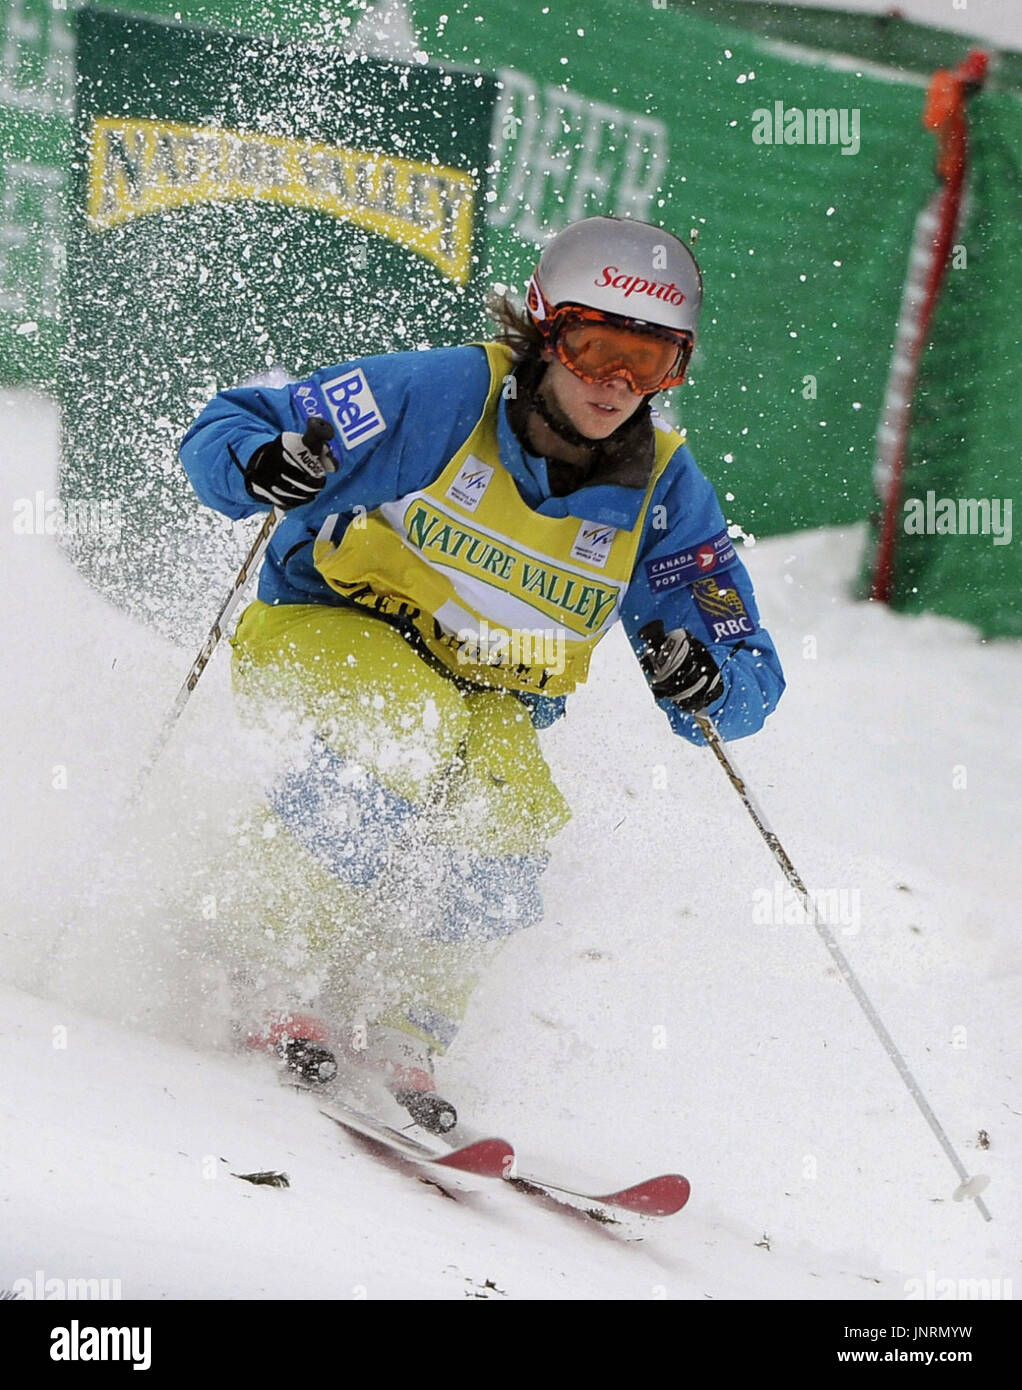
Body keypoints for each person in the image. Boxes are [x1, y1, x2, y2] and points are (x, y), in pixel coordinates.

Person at [180, 215, 785, 1131]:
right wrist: (261, 465)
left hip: (490, 692)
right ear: (545, 332)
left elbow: (742, 668)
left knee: (511, 818)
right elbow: (241, 421)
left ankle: (403, 1030)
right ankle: (263, 959)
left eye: (652, 363)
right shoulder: (446, 393)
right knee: (402, 730)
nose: (617, 386)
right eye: (594, 350)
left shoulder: (660, 489)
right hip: (329, 625)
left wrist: (708, 679)